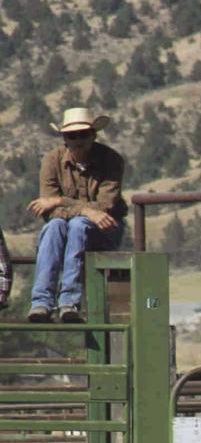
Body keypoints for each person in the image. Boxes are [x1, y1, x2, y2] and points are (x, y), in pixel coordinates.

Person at [27, 108, 126, 323]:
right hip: (66, 230)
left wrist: (61, 201)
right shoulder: (52, 161)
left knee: (79, 225)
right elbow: (49, 211)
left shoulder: (111, 160)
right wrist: (84, 209)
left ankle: (70, 301)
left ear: (93, 135)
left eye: (83, 134)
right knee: (55, 227)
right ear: (65, 139)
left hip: (105, 230)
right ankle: (41, 303)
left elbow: (106, 206)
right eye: (72, 135)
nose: (78, 140)